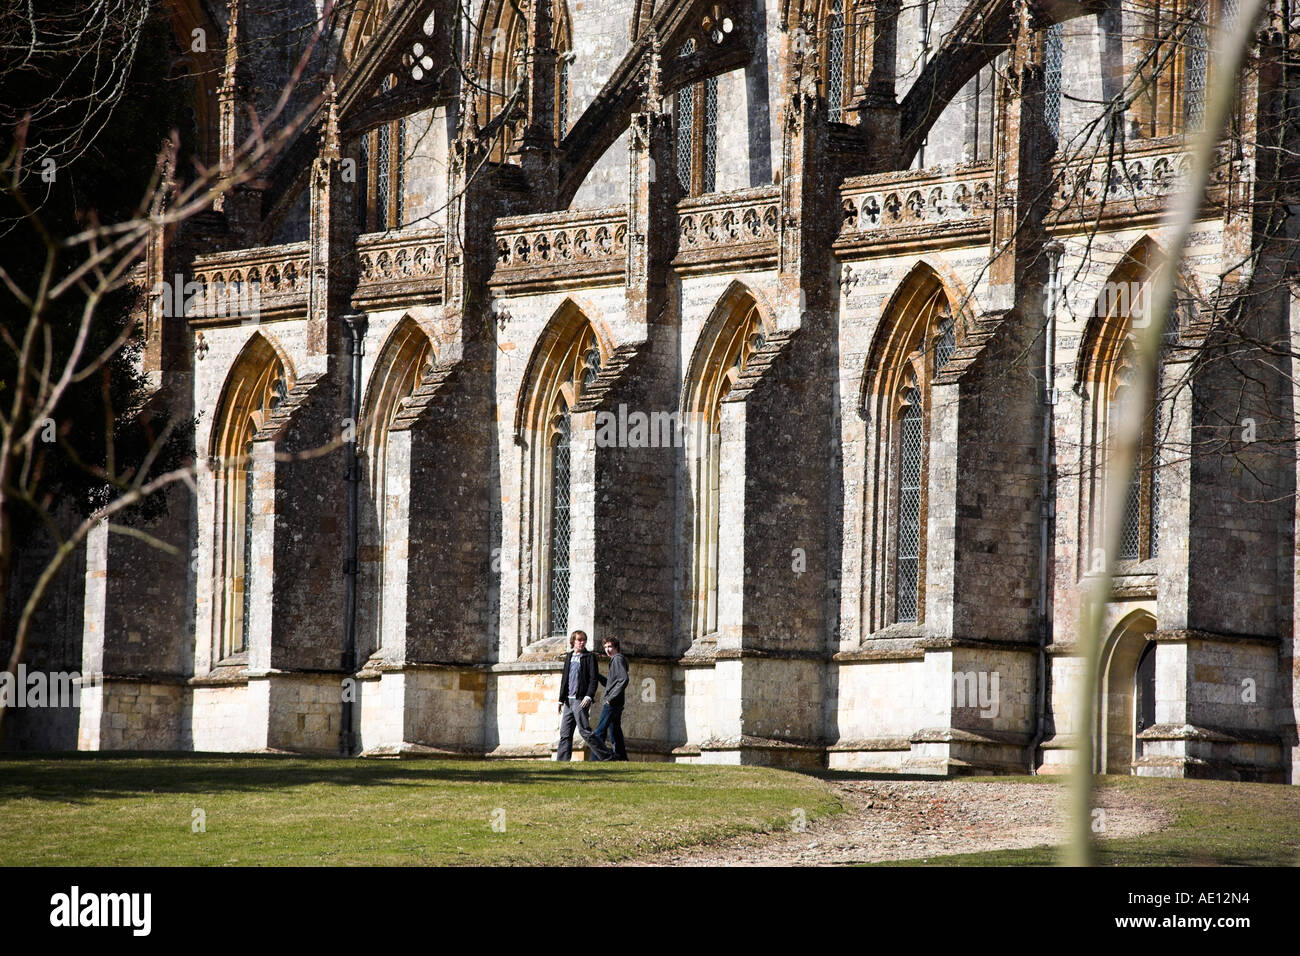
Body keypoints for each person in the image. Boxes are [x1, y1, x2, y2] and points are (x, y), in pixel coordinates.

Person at [556, 630, 611, 762]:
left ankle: (607, 756)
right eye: (579, 640)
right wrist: (560, 700)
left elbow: (593, 678)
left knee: (585, 731)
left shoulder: (589, 657)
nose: (582, 643)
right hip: (568, 701)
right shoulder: (569, 656)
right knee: (565, 733)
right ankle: (562, 761)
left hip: (580, 700)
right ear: (573, 641)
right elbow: (565, 679)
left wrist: (589, 696)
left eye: (584, 640)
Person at [593, 637, 629, 761]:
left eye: (610, 647)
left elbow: (623, 679)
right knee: (615, 732)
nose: (607, 650)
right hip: (617, 702)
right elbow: (612, 683)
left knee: (599, 731)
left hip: (613, 703)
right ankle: (621, 758)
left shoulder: (617, 659)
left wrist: (610, 698)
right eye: (605, 647)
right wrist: (597, 676)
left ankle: (596, 758)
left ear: (616, 647)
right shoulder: (616, 659)